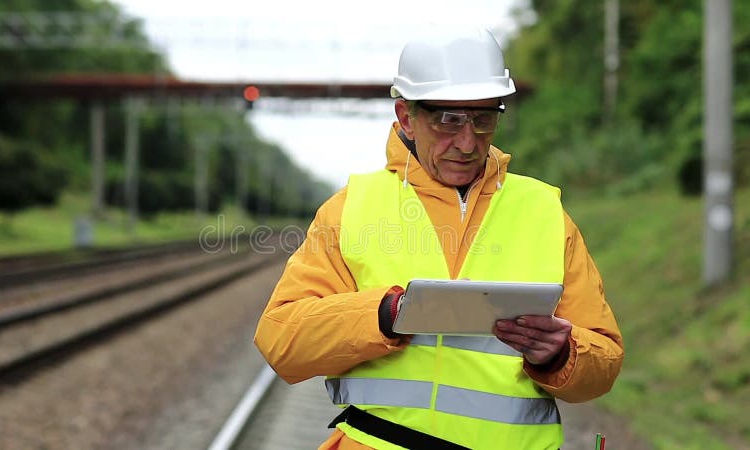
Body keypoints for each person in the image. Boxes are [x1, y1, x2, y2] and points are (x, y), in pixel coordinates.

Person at [254, 27, 623, 450]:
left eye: (483, 119)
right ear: (407, 117)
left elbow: (604, 362)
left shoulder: (544, 211)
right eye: (448, 120)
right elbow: (281, 340)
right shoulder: (351, 209)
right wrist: (385, 313)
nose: (467, 143)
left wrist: (561, 354)